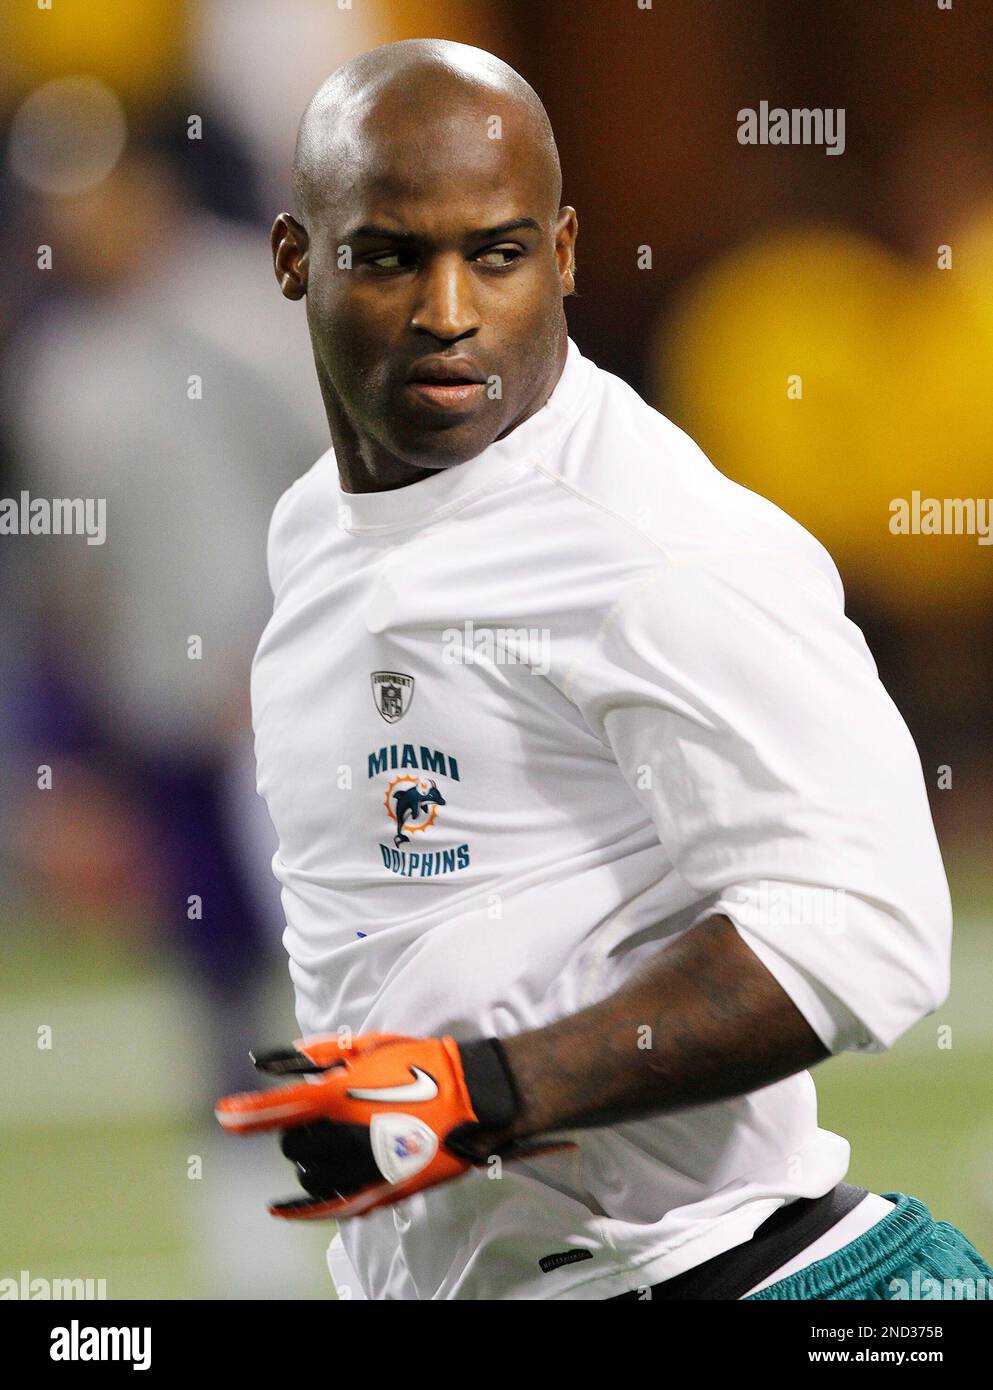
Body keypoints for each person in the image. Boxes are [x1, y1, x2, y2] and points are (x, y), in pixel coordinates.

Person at [216, 38, 992, 1300]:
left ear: (567, 255)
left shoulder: (653, 540)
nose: (450, 309)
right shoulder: (313, 526)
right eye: (391, 255)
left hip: (725, 1274)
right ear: (296, 258)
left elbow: (868, 922)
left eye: (500, 253)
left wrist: (497, 1088)